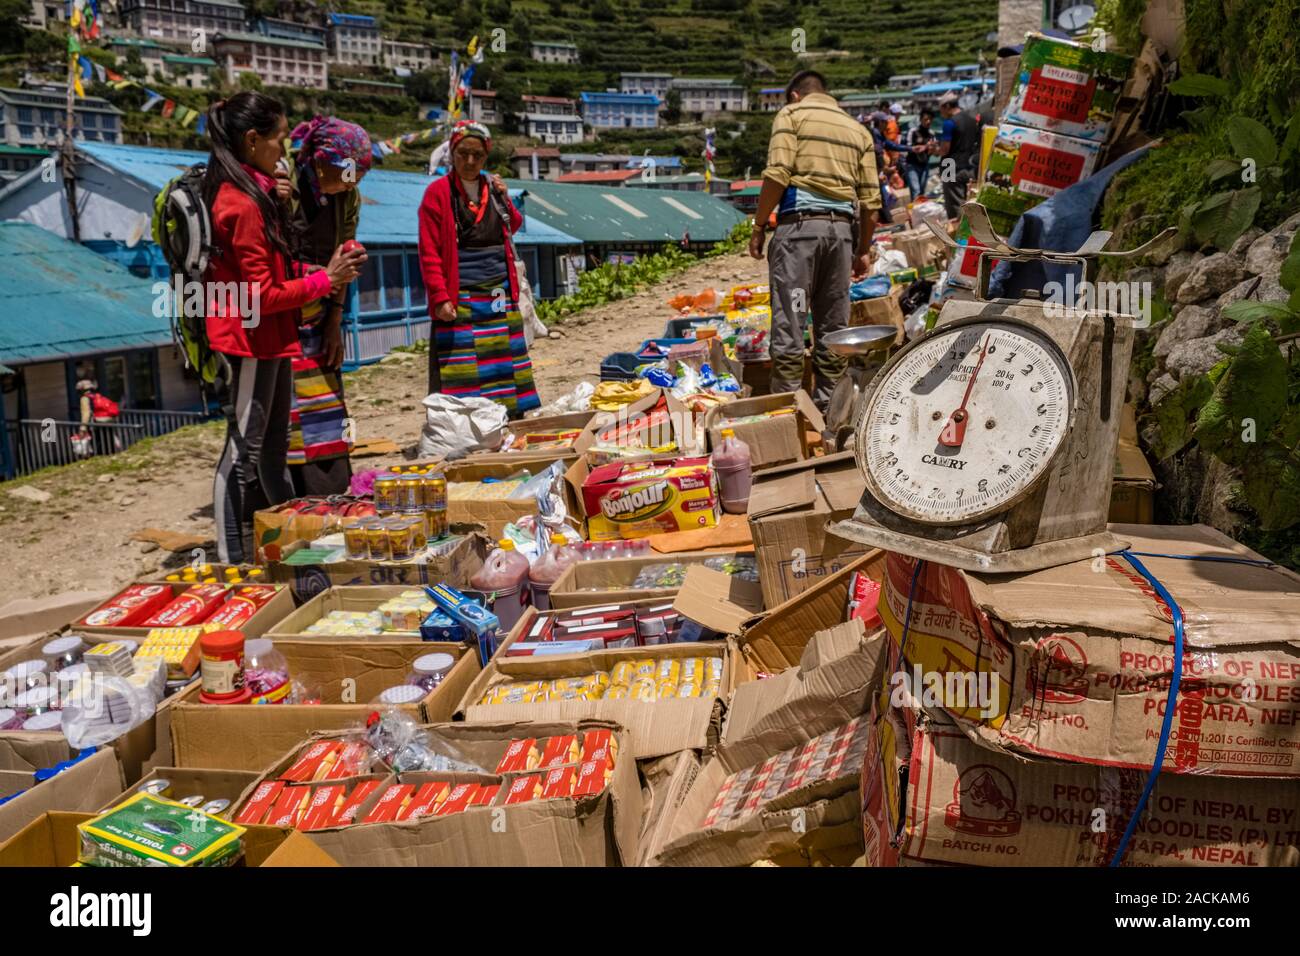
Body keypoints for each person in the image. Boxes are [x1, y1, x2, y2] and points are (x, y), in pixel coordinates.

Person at [202, 92, 367, 563]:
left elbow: (276, 275)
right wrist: (325, 279)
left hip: (275, 337)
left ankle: (286, 538)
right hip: (250, 338)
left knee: (273, 449)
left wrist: (326, 276)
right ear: (252, 140)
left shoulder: (263, 194)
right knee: (243, 451)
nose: (284, 152)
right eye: (278, 140)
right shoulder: (245, 204)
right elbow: (261, 294)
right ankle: (230, 556)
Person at [749, 70, 881, 412]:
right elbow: (871, 202)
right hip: (841, 237)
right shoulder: (858, 129)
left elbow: (777, 173)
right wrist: (862, 249)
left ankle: (790, 409)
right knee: (832, 323)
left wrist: (759, 225)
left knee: (792, 317)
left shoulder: (792, 115)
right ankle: (829, 414)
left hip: (800, 233)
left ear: (794, 95)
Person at [276, 115, 372, 497]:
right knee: (288, 414)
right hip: (279, 313)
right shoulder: (283, 191)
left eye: (358, 175)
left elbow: (344, 257)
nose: (353, 182)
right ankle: (291, 499)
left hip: (320, 313)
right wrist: (318, 276)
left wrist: (334, 319)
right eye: (347, 172)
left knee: (327, 410)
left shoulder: (346, 195)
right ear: (320, 161)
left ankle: (331, 491)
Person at [417, 120, 540, 418]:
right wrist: (440, 296)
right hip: (462, 294)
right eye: (463, 154)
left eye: (477, 155)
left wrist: (505, 196)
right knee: (463, 364)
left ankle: (508, 415)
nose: (470, 162)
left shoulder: (492, 187)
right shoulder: (437, 193)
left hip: (498, 288)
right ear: (452, 154)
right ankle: (467, 422)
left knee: (500, 357)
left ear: (486, 156)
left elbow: (514, 225)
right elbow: (429, 251)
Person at [935, 91, 980, 221]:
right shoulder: (971, 120)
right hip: (971, 166)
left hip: (950, 166)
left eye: (941, 109)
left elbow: (944, 150)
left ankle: (958, 235)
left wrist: (933, 150)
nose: (941, 113)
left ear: (947, 106)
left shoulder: (949, 123)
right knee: (971, 202)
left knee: (954, 206)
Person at [75, 378, 119, 455]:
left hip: (96, 424)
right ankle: (112, 456)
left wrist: (83, 428)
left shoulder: (84, 399)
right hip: (108, 422)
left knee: (99, 444)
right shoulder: (97, 396)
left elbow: (86, 414)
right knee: (109, 442)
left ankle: (102, 458)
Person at [903, 108, 936, 201]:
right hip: (912, 165)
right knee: (916, 191)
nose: (928, 121)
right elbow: (908, 148)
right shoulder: (913, 131)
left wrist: (932, 149)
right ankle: (915, 213)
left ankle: (919, 212)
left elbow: (933, 151)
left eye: (930, 119)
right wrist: (926, 146)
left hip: (925, 165)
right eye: (926, 119)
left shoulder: (931, 134)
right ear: (921, 119)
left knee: (921, 192)